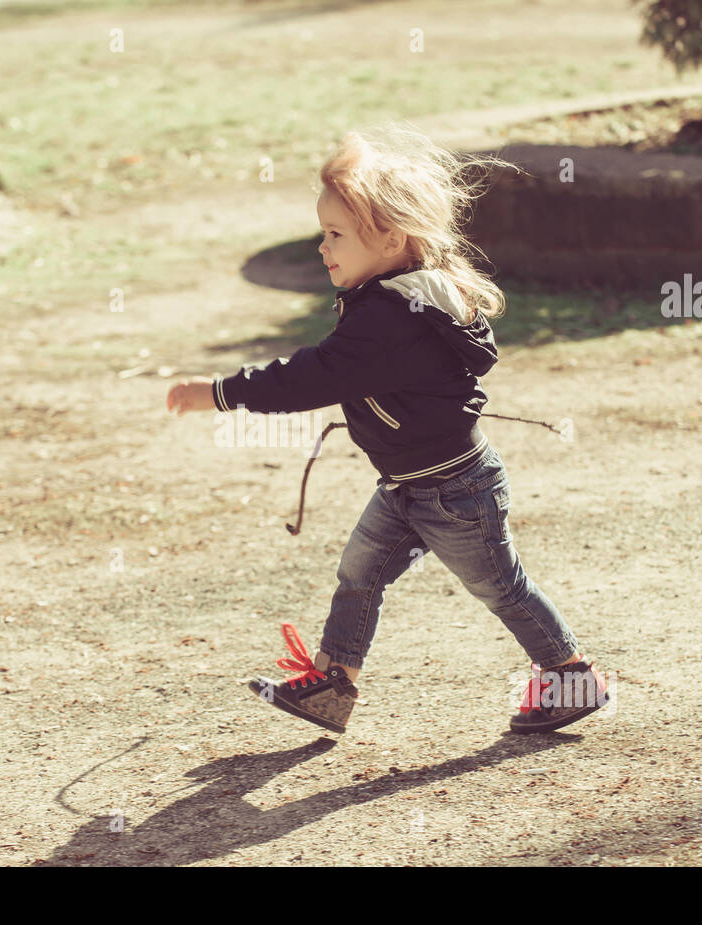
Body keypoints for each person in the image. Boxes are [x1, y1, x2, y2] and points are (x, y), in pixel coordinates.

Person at [166, 122, 609, 736]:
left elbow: (311, 377)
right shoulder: (394, 301)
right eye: (323, 232)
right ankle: (333, 683)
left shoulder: (391, 315)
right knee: (359, 574)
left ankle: (570, 675)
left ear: (392, 237)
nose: (322, 248)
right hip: (407, 485)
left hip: (454, 492)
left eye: (335, 234)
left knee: (502, 589)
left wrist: (220, 392)